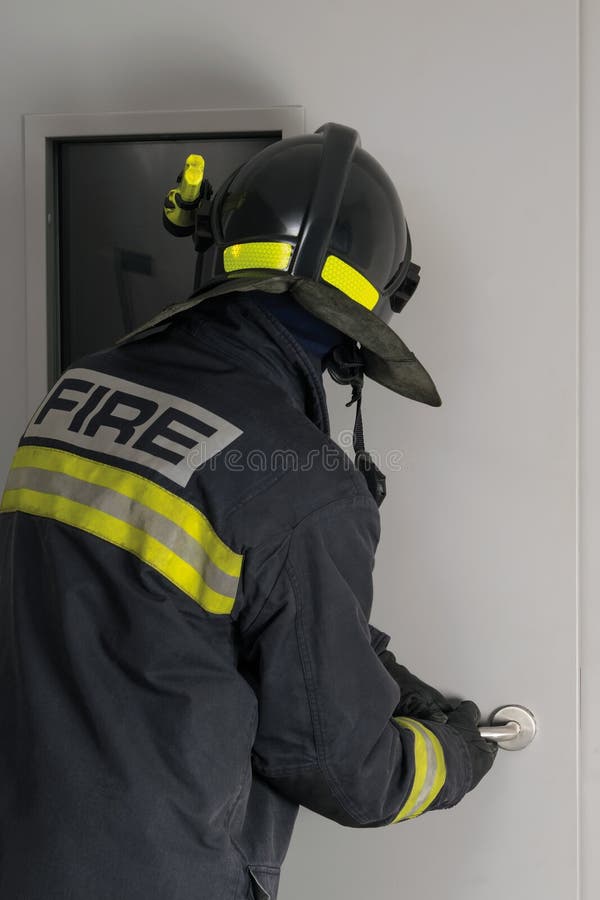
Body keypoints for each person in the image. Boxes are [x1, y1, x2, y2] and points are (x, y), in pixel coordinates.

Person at [0, 123, 497, 900]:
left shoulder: (75, 394)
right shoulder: (302, 482)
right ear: (361, 319)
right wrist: (458, 749)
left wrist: (382, 672)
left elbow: (182, 611)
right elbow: (345, 771)